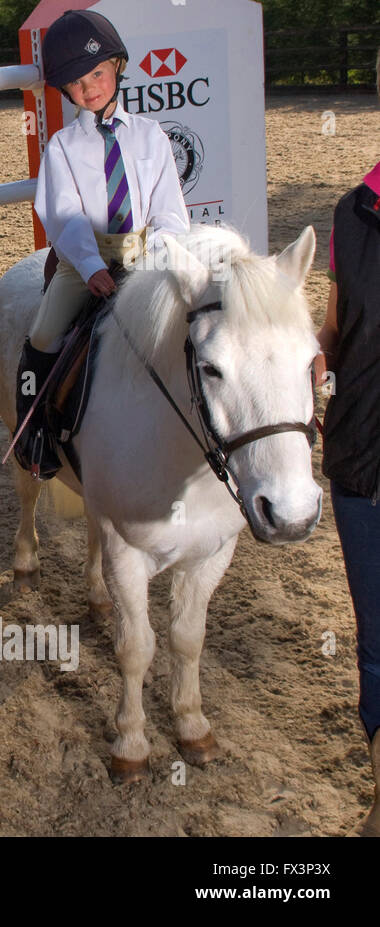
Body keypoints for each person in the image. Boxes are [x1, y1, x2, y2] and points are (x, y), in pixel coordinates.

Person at [14, 9, 189, 478]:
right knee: (45, 334)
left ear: (117, 66)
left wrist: (155, 260)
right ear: (64, 90)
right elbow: (63, 215)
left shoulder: (152, 138)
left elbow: (169, 210)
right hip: (84, 259)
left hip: (146, 254)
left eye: (96, 73)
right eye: (76, 82)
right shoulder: (63, 147)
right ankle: (35, 435)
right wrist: (91, 266)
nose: (89, 87)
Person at [313, 45, 380, 836]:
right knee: (375, 638)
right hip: (361, 452)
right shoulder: (348, 213)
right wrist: (304, 361)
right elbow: (334, 328)